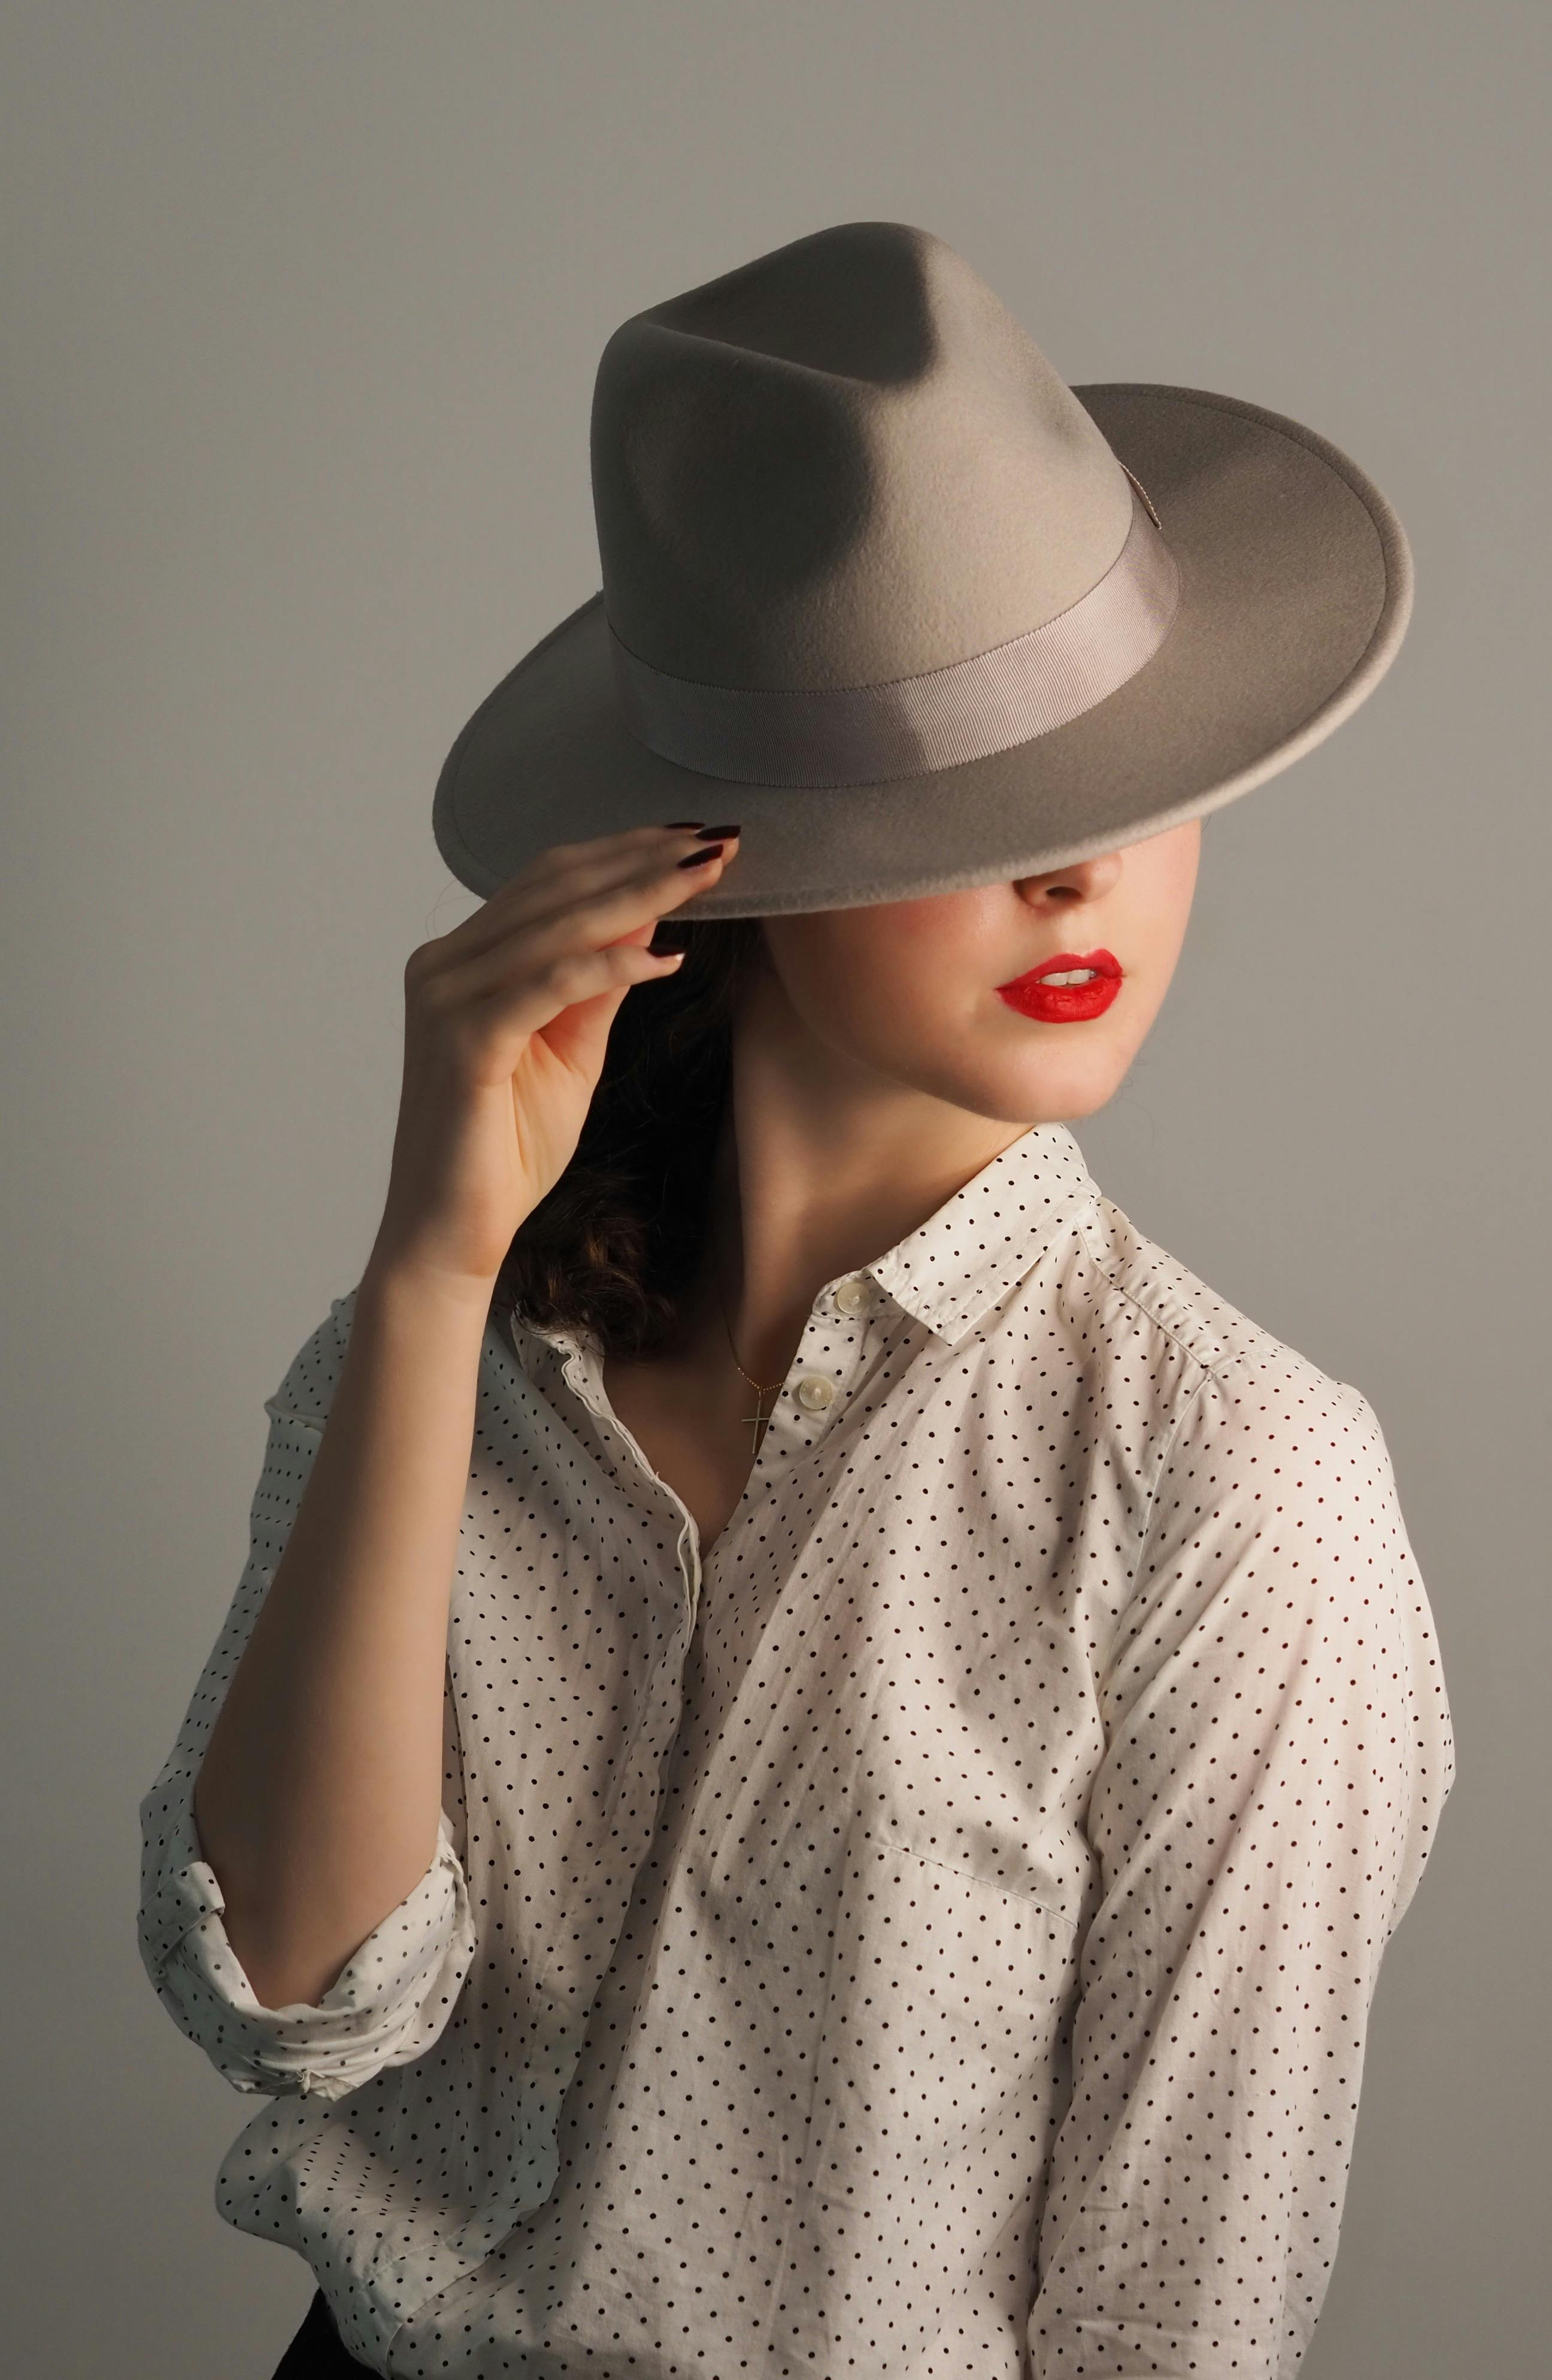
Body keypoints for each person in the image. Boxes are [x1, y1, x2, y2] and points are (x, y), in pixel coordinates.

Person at [138, 224, 1455, 2378]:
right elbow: (291, 1998)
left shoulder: (1237, 1489)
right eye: (982, 802)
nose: (1082, 873)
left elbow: (1175, 2330)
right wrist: (419, 1277)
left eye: (1137, 787)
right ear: (709, 849)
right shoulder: (439, 1369)